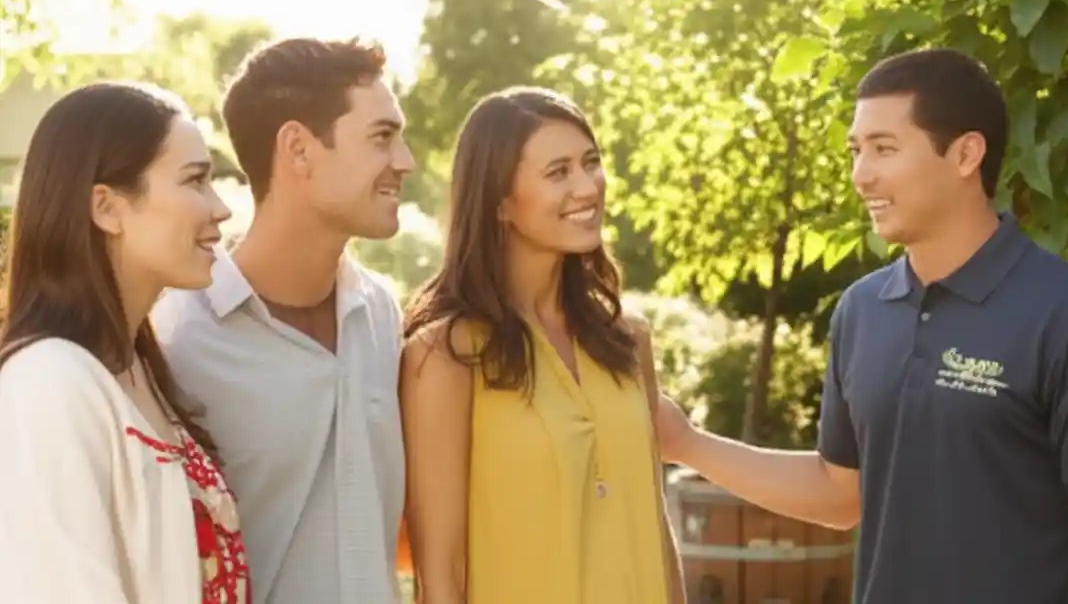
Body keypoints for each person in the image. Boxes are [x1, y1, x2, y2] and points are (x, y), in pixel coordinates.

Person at [655, 48, 1068, 604]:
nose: (860, 175)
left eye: (884, 149)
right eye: (856, 151)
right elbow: (839, 493)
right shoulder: (861, 311)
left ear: (966, 154)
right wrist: (687, 443)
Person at [150, 37, 415, 604]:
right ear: (297, 149)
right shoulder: (174, 336)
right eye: (382, 138)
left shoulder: (382, 316)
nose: (406, 161)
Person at [399, 86, 685, 604]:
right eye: (558, 172)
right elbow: (440, 573)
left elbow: (656, 522)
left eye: (591, 163)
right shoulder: (446, 355)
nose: (587, 186)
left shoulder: (627, 340)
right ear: (500, 203)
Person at [0, 82, 246, 603]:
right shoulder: (49, 381)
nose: (220, 208)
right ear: (107, 207)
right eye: (195, 180)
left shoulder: (138, 371)